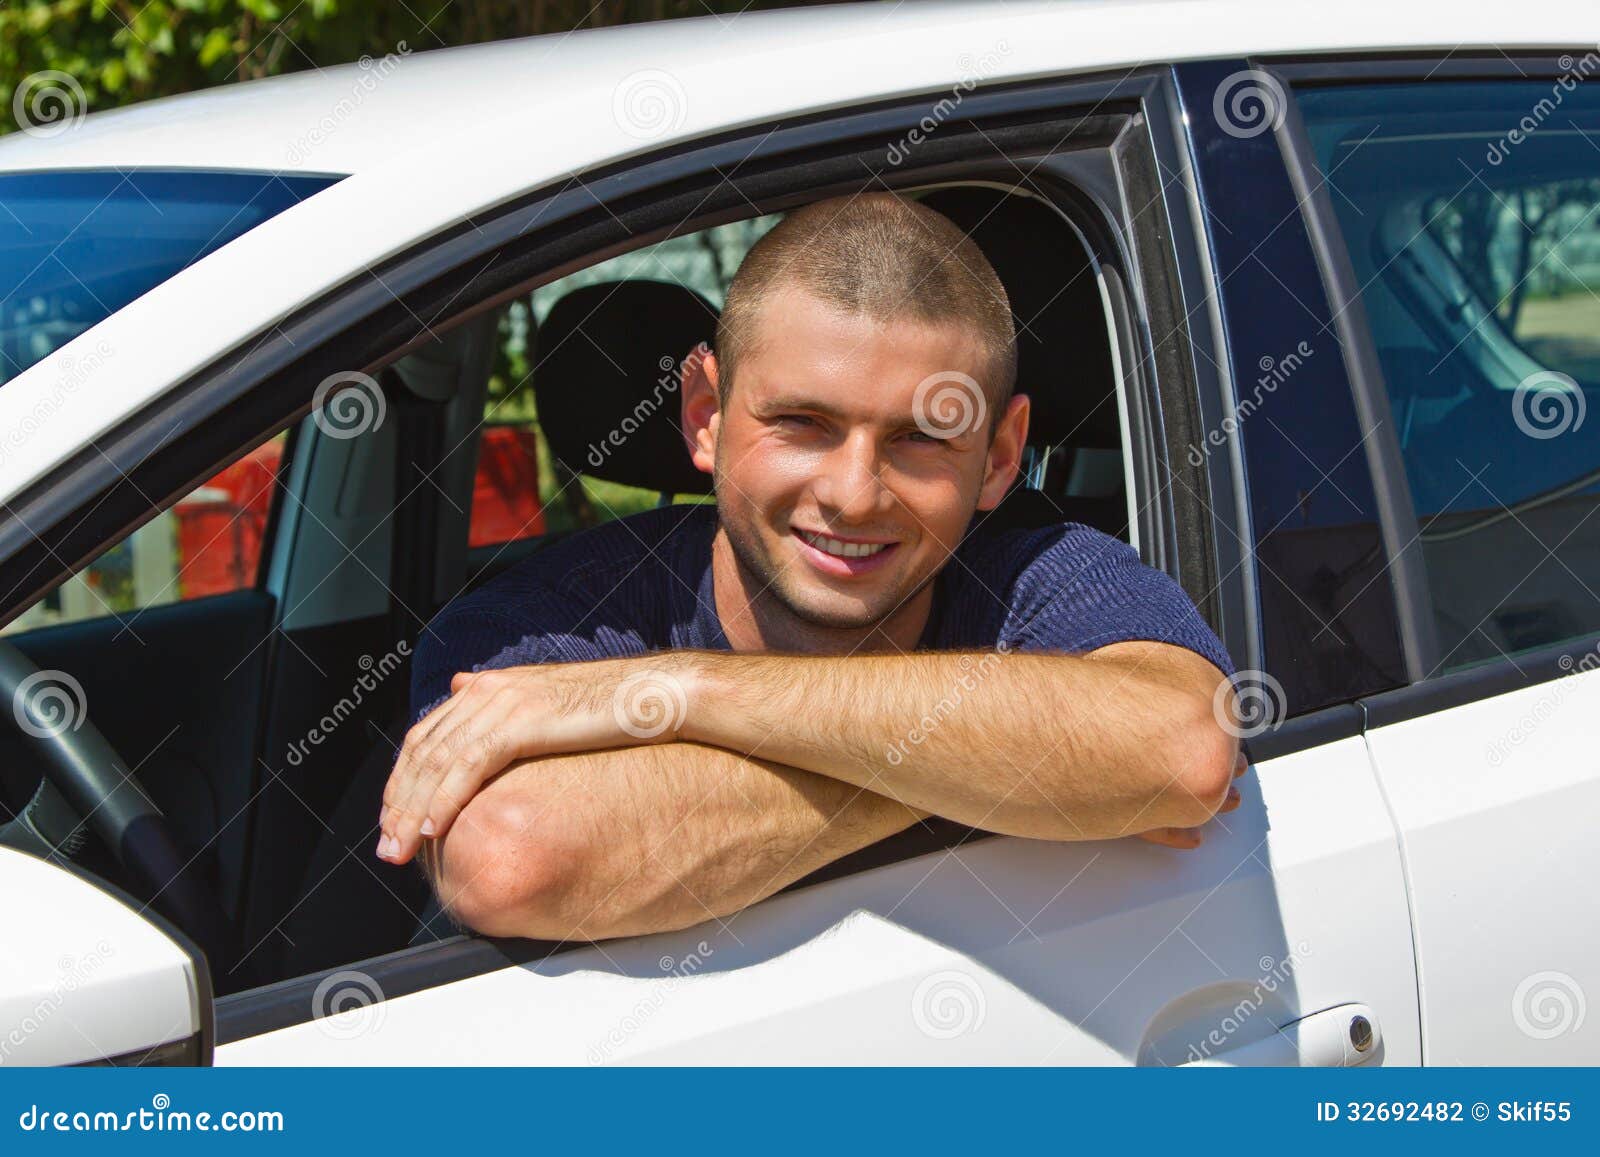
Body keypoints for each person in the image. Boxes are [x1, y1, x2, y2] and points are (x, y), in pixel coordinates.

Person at [376, 192, 1245, 941]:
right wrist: (1013, 777)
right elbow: (512, 857)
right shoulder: (547, 619)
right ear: (706, 415)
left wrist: (682, 692)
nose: (856, 494)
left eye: (920, 437)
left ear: (1001, 454)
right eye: (802, 423)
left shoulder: (1040, 571)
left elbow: (1181, 749)